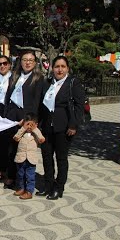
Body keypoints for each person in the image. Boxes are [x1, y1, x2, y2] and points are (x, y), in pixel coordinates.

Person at [38, 55, 88, 200]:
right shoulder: (47, 83)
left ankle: (59, 188)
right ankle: (48, 185)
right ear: (52, 68)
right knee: (46, 157)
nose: (59, 69)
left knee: (61, 159)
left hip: (64, 127)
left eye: (62, 66)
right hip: (47, 127)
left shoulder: (73, 83)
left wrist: (74, 125)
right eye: (57, 66)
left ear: (67, 69)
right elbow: (41, 105)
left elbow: (79, 106)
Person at [3, 51, 46, 190]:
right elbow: (8, 97)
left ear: (35, 63)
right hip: (12, 115)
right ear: (20, 61)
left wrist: (30, 120)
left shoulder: (38, 78)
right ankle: (11, 176)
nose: (27, 62)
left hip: (26, 118)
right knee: (11, 148)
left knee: (23, 151)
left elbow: (36, 102)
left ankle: (24, 183)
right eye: (25, 60)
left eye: (31, 60)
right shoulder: (14, 76)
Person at [12, 114, 45, 200]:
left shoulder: (36, 134)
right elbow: (16, 138)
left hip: (31, 160)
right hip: (21, 158)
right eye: (28, 124)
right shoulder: (22, 133)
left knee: (30, 176)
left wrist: (35, 129)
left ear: (36, 125)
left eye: (32, 125)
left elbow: (42, 139)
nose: (29, 126)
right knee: (20, 175)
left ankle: (29, 191)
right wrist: (23, 128)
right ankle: (21, 188)